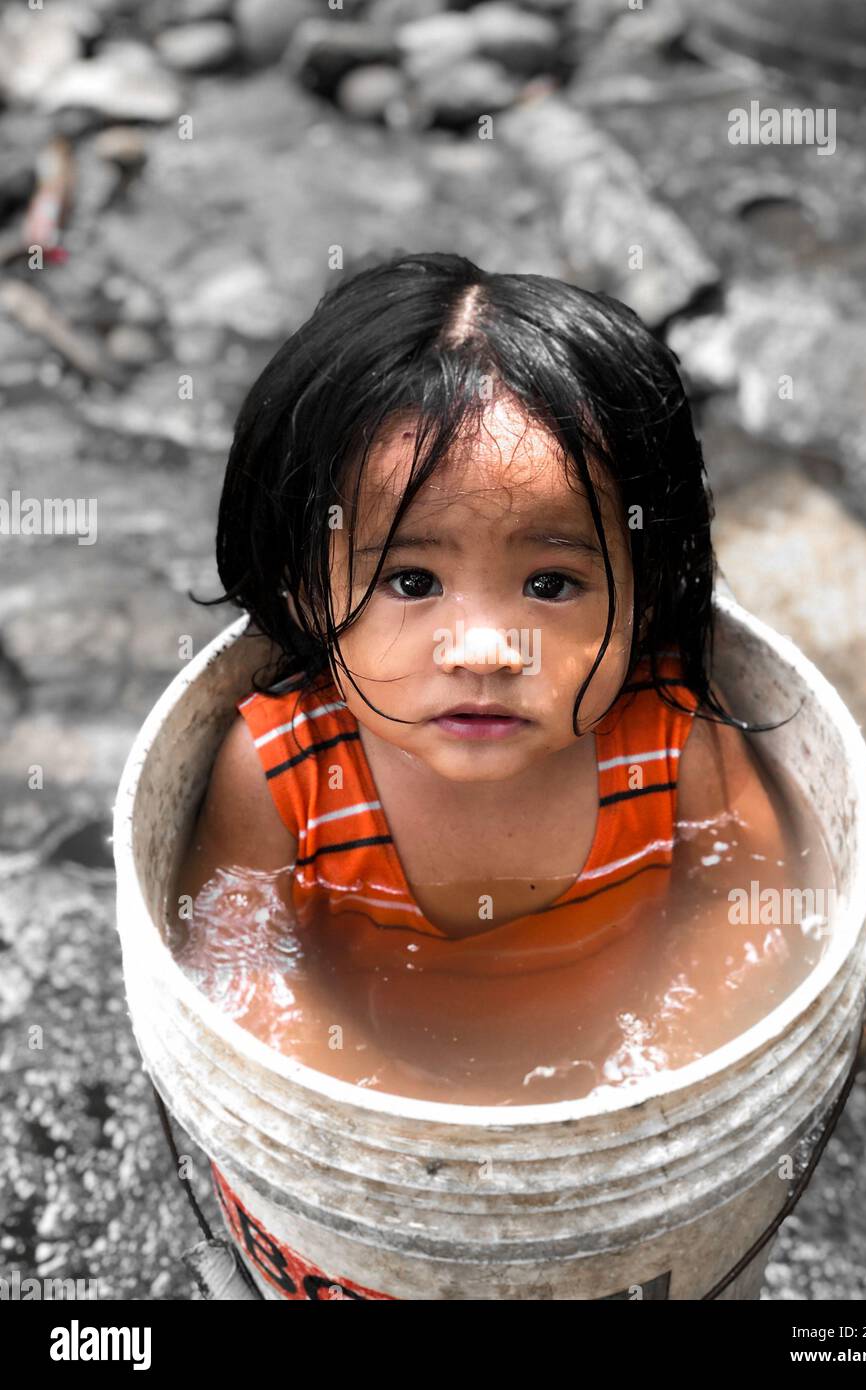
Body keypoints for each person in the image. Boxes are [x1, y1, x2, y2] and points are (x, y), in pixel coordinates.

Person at [174, 251, 797, 1095]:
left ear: (644, 600)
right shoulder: (285, 773)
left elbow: (751, 905)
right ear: (309, 595)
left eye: (551, 584)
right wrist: (400, 1115)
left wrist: (648, 1070)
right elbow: (239, 969)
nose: (484, 650)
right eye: (411, 582)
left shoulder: (668, 734)